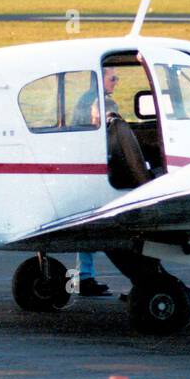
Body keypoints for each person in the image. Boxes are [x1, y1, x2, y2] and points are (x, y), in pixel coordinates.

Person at [73, 67, 121, 297]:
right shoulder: (101, 103)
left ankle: (83, 278)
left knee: (83, 233)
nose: (117, 82)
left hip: (82, 166)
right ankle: (84, 278)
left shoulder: (86, 98)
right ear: (100, 79)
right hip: (96, 170)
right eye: (113, 78)